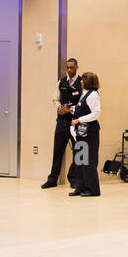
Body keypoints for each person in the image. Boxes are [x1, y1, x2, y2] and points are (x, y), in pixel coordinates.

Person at [41, 58, 82, 189]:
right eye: (67, 67)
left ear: (77, 67)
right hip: (62, 121)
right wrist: (59, 107)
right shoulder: (62, 81)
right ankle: (52, 179)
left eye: (72, 67)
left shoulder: (81, 83)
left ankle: (75, 179)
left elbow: (84, 103)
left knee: (79, 151)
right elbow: (55, 99)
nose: (69, 70)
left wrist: (70, 109)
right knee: (57, 150)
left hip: (76, 121)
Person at [69, 71, 102, 197]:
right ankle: (80, 187)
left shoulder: (93, 95)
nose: (81, 82)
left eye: (83, 80)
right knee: (80, 160)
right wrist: (71, 109)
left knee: (89, 161)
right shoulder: (84, 94)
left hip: (90, 132)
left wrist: (79, 120)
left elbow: (96, 113)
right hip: (80, 133)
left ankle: (92, 189)